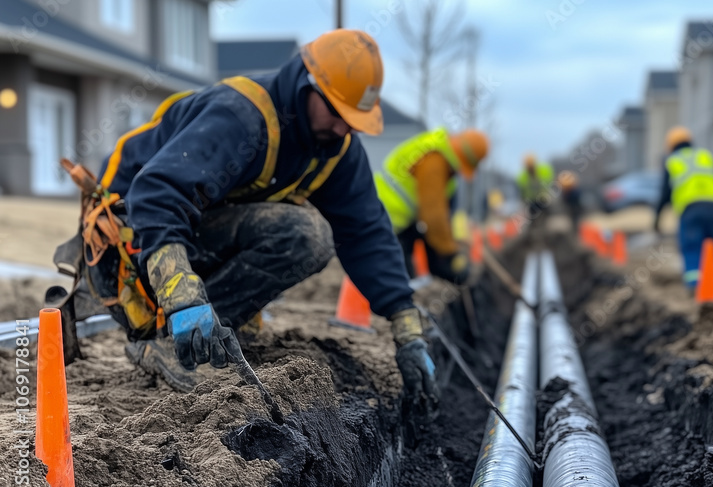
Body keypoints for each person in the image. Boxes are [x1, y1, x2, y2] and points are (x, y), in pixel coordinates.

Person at [71, 30, 440, 426]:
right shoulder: (241, 115)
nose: (342, 129)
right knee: (305, 234)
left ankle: (207, 331)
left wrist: (407, 327)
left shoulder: (333, 150)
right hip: (129, 248)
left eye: (353, 121)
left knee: (303, 234)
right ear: (306, 86)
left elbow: (366, 232)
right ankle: (168, 343)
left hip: (188, 239)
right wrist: (183, 296)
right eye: (336, 113)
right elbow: (158, 197)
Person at [374, 127, 489, 284]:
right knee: (397, 277)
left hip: (394, 219)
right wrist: (451, 254)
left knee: (405, 271)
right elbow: (433, 217)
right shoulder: (435, 161)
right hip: (388, 218)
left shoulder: (437, 149)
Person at [654, 126, 713, 294]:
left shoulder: (672, 161)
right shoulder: (706, 156)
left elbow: (664, 194)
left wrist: (657, 220)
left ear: (671, 146)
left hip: (690, 210)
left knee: (691, 248)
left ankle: (694, 287)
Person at [516, 153, 555, 218]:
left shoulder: (544, 170)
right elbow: (522, 193)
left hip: (546, 199)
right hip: (532, 202)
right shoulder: (522, 177)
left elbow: (552, 183)